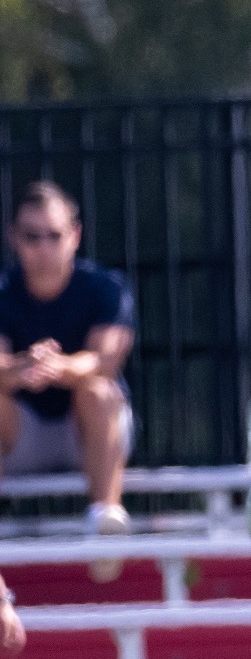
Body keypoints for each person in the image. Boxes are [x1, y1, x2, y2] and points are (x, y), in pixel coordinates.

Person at [0, 181, 136, 582]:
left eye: (54, 236)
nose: (44, 248)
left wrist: (57, 367)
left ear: (75, 235)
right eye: (31, 237)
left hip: (89, 436)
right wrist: (25, 367)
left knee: (98, 391)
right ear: (14, 239)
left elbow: (106, 360)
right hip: (19, 437)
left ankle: (106, 524)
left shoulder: (105, 287)